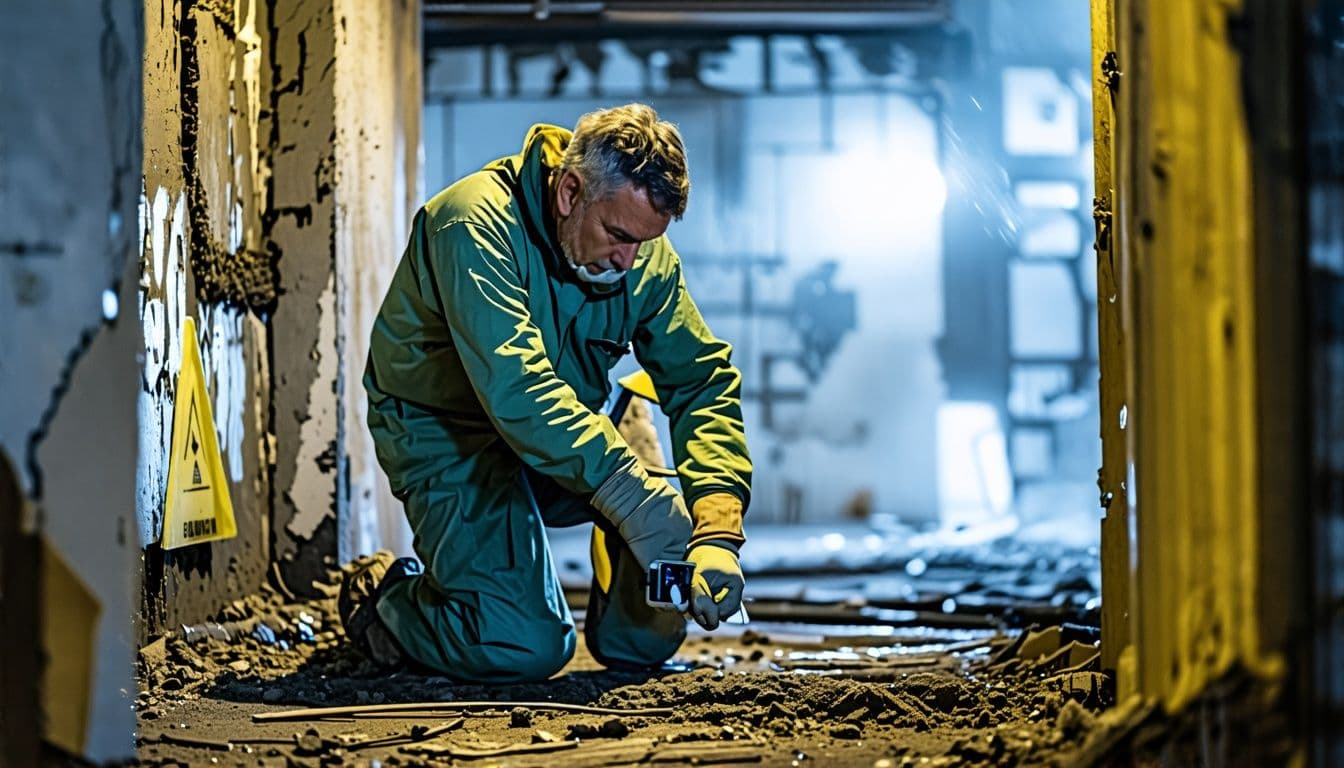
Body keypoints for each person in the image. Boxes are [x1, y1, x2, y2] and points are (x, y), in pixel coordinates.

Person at [346, 103, 752, 683]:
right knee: (522, 645)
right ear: (569, 192)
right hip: (450, 435)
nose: (628, 260)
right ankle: (387, 600)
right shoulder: (472, 224)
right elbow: (520, 391)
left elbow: (700, 381)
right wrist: (637, 502)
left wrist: (716, 528)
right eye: (618, 236)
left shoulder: (637, 250)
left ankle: (626, 610)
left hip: (569, 431)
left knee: (644, 640)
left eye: (644, 242)